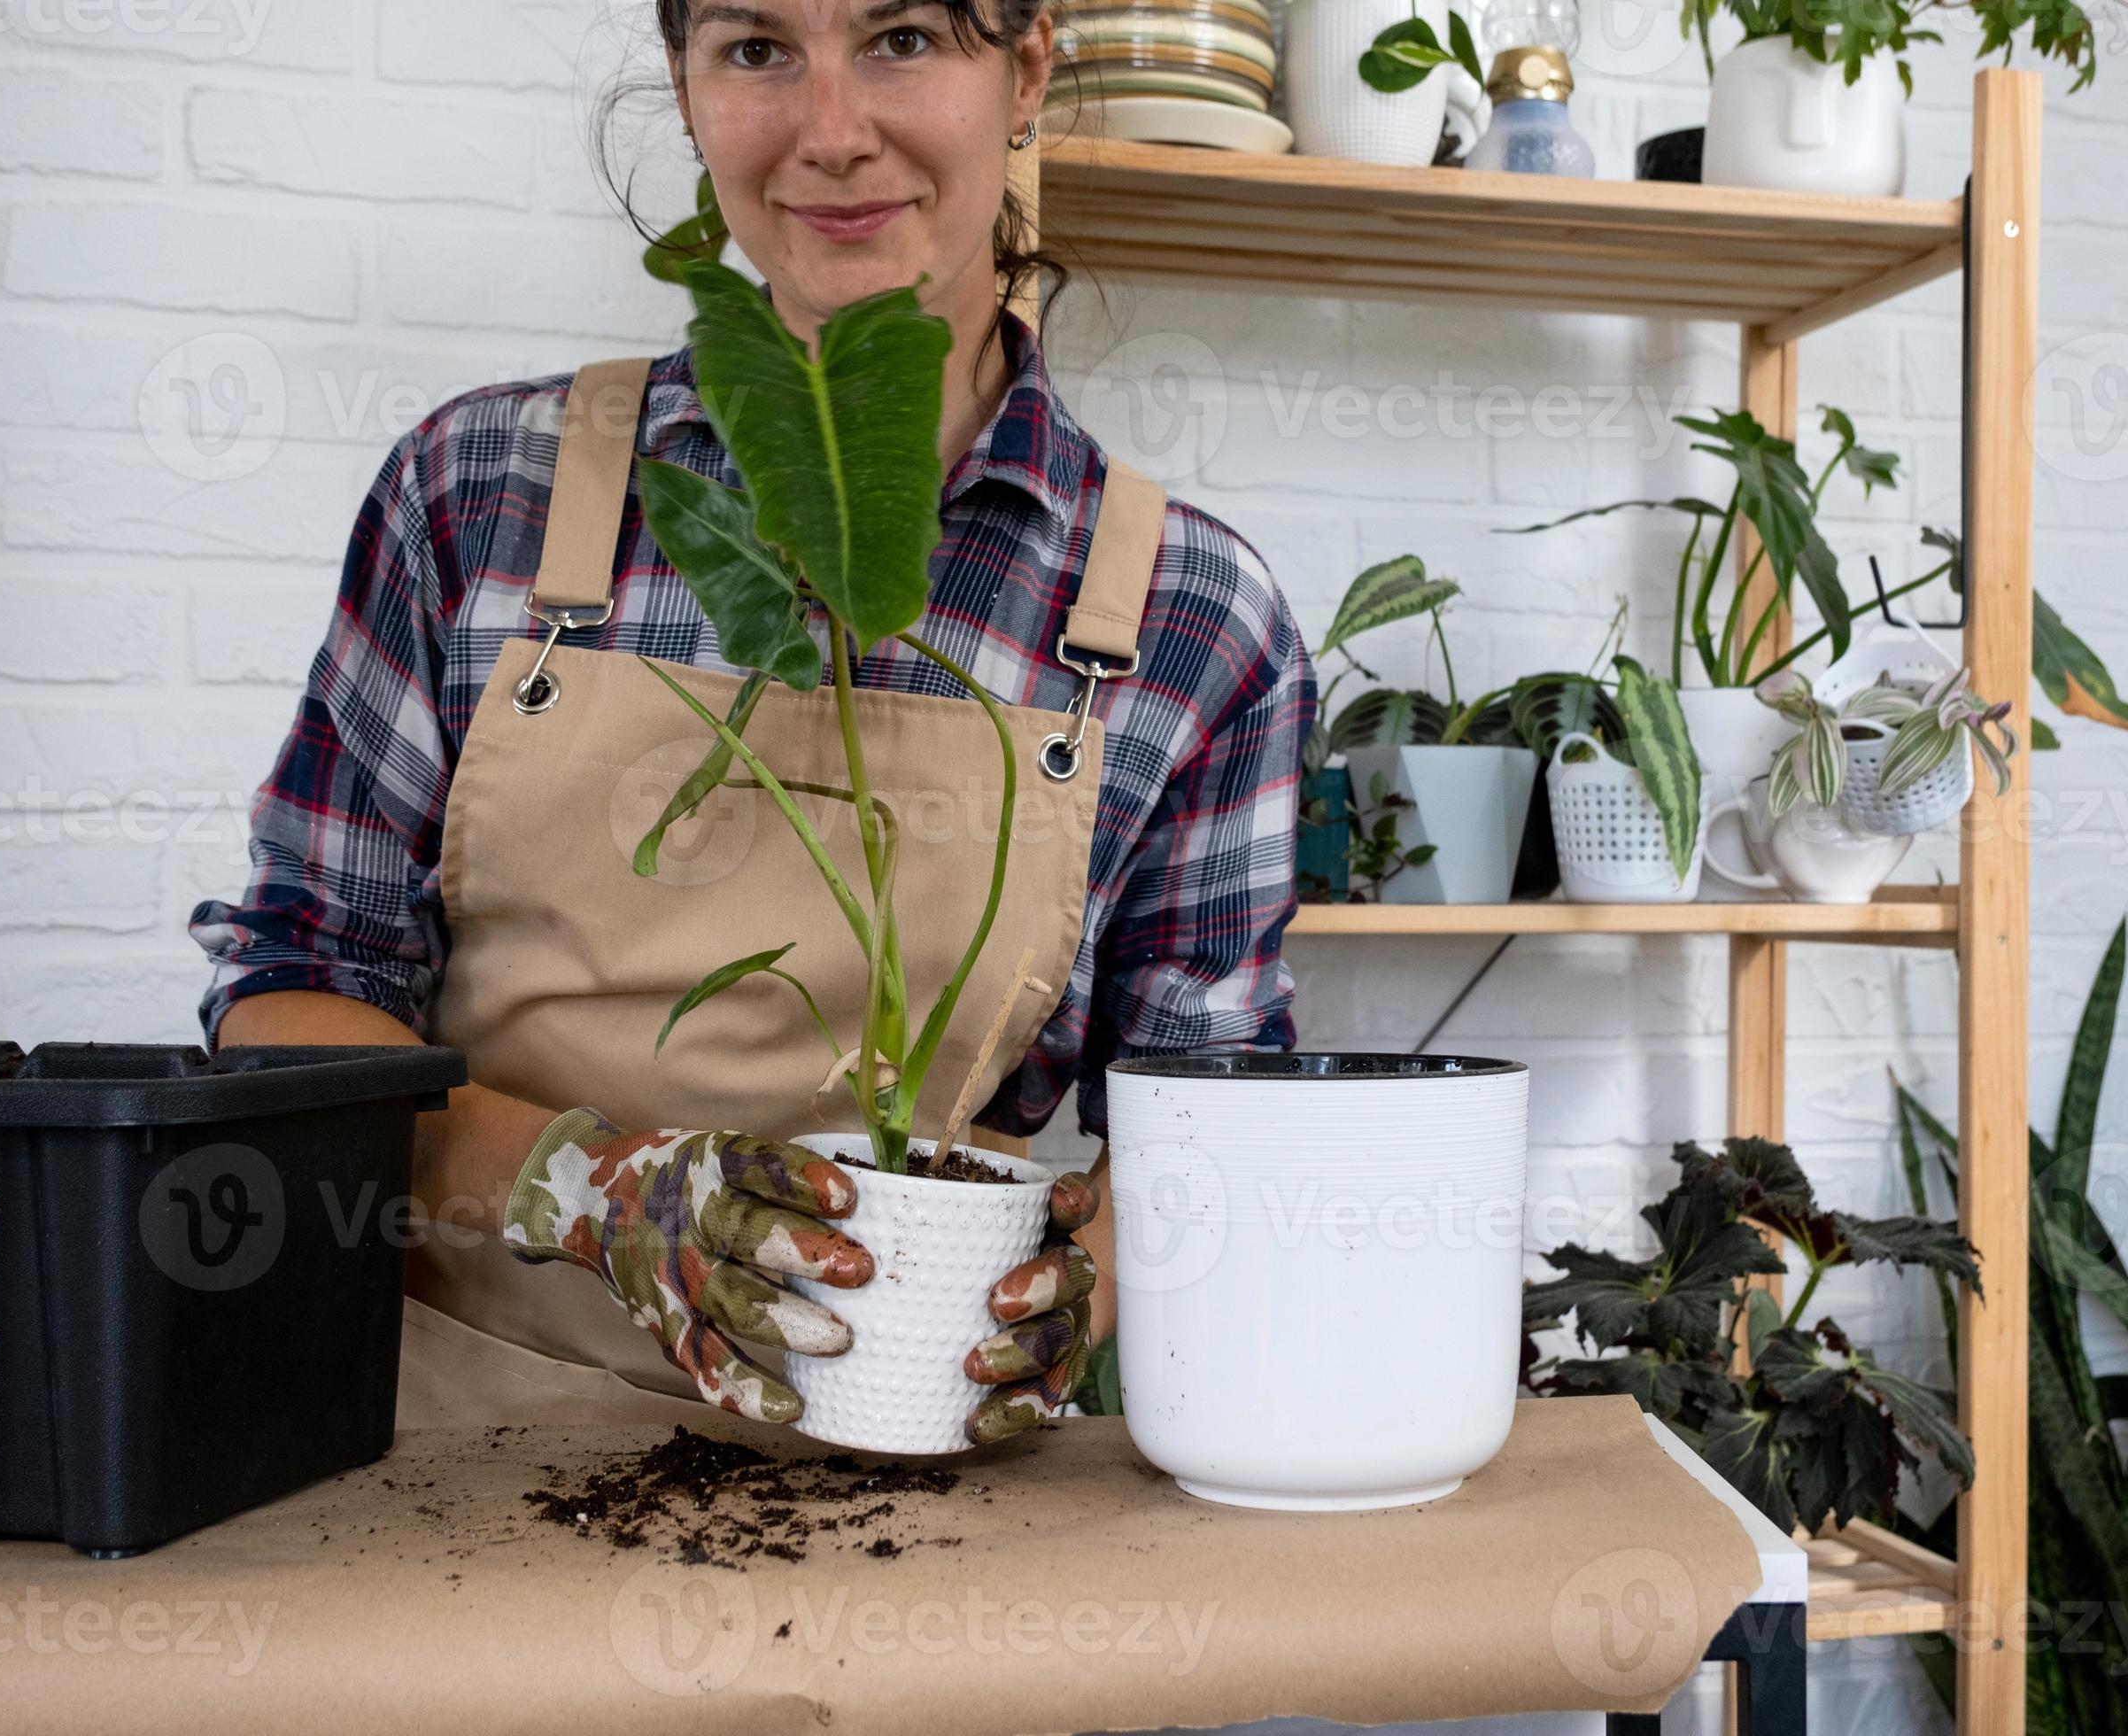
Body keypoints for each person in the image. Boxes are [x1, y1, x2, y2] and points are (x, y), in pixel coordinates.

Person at [189, 0, 1312, 1447]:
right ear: (685, 83)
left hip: (924, 1496)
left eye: (904, 37)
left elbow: (1217, 1143)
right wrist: (597, 1190)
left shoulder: (1193, 617)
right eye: (757, 48)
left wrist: (1077, 1292)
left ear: (1027, 72)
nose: (832, 134)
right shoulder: (481, 498)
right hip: (454, 1485)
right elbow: (282, 1005)